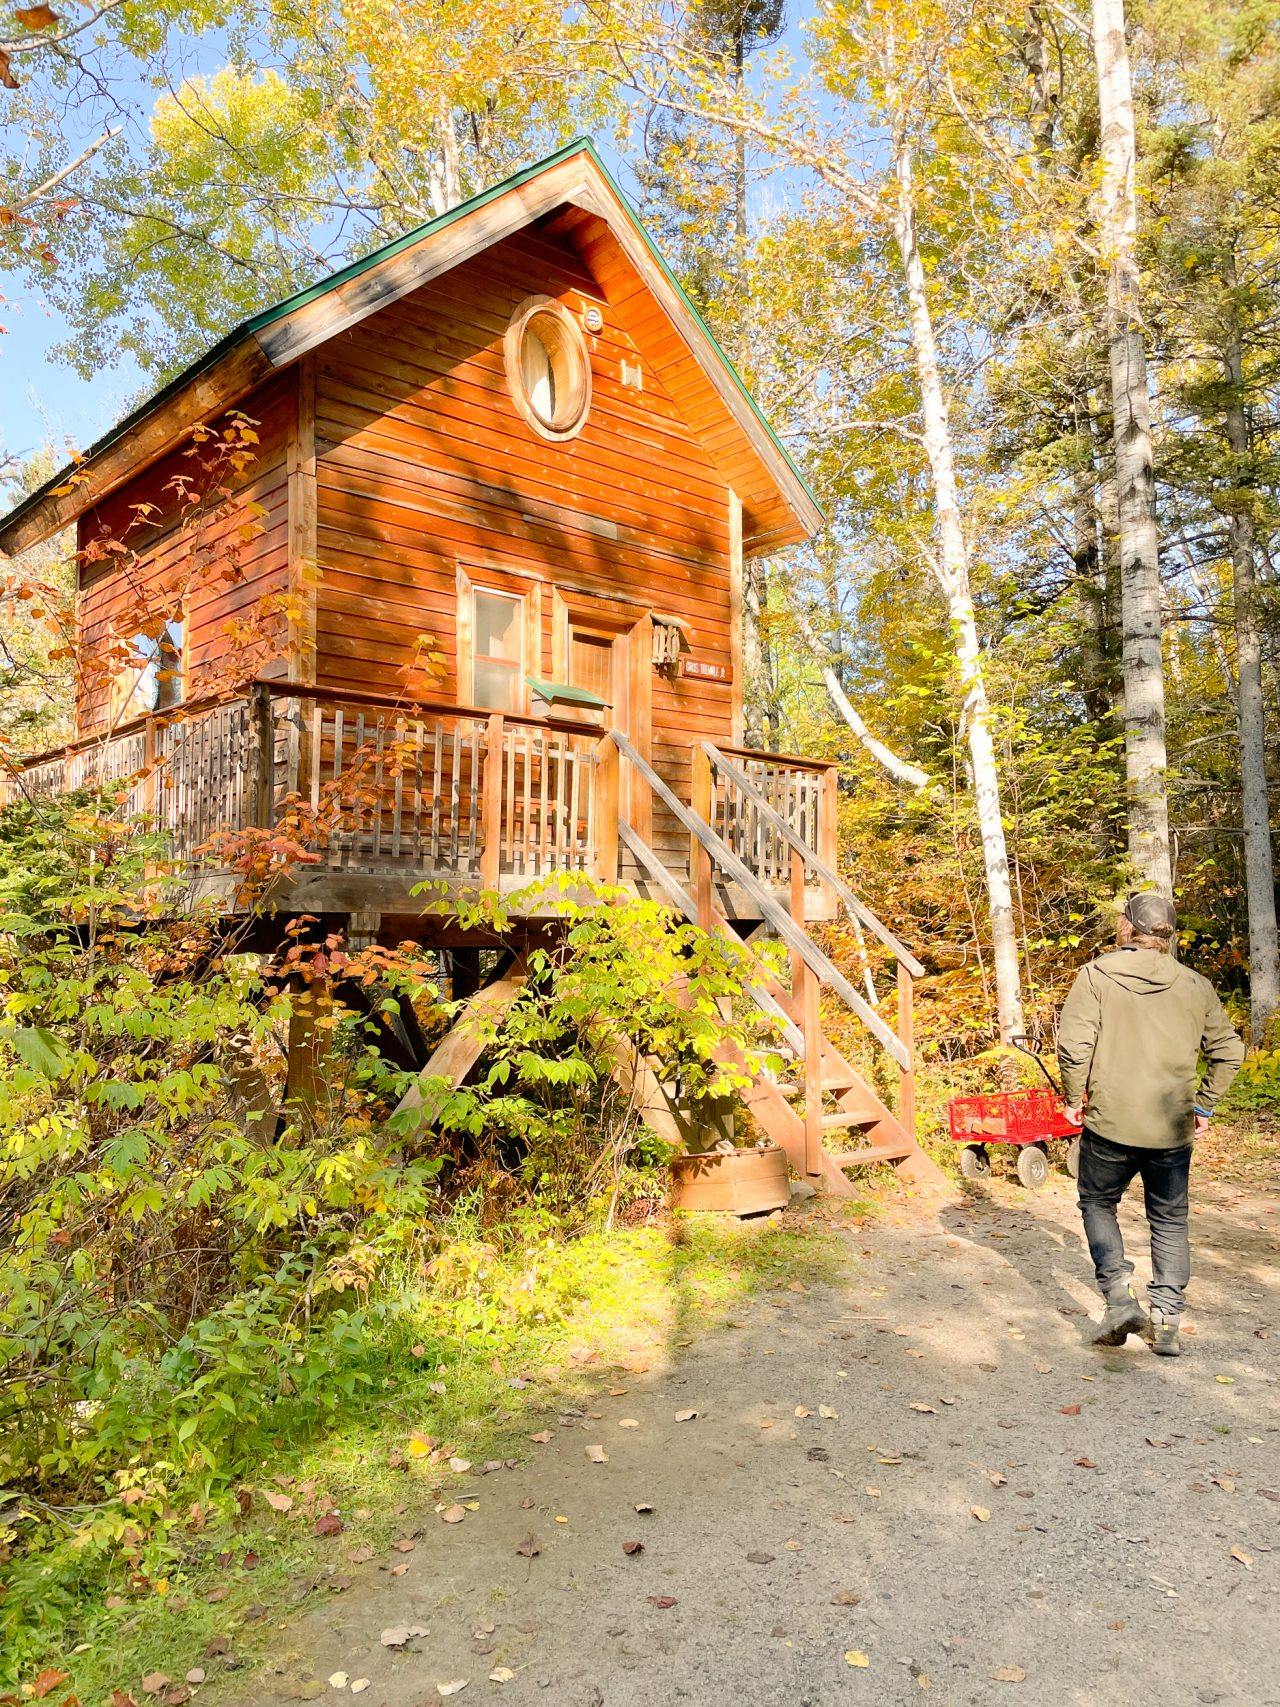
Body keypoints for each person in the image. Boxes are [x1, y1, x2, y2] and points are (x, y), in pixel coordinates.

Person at [1057, 892, 1244, 1356]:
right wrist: (1202, 1106)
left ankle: (1120, 1300)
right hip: (1171, 1127)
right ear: (1168, 934)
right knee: (1170, 1220)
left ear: (1127, 927)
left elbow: (1074, 1047)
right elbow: (1229, 1051)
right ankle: (1166, 1322)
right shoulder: (1195, 985)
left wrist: (1072, 1098)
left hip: (1110, 1123)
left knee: (1098, 1202)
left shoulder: (1095, 976)